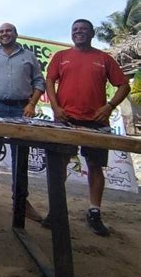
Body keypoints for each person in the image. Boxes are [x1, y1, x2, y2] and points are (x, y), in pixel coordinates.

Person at [45, 19, 130, 236]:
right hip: (66, 119)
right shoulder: (61, 57)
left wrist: (109, 106)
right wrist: (55, 107)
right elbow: (49, 81)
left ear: (92, 33)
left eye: (83, 29)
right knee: (60, 163)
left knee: (95, 166)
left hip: (96, 121)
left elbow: (124, 85)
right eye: (75, 30)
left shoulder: (104, 58)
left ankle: (94, 211)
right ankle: (56, 210)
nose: (78, 32)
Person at [0, 23, 45, 221]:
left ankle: (21, 200)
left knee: (20, 153)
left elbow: (39, 82)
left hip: (22, 109)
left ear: (15, 34)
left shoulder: (28, 56)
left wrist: (32, 104)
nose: (5, 34)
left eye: (8, 31)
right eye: (2, 31)